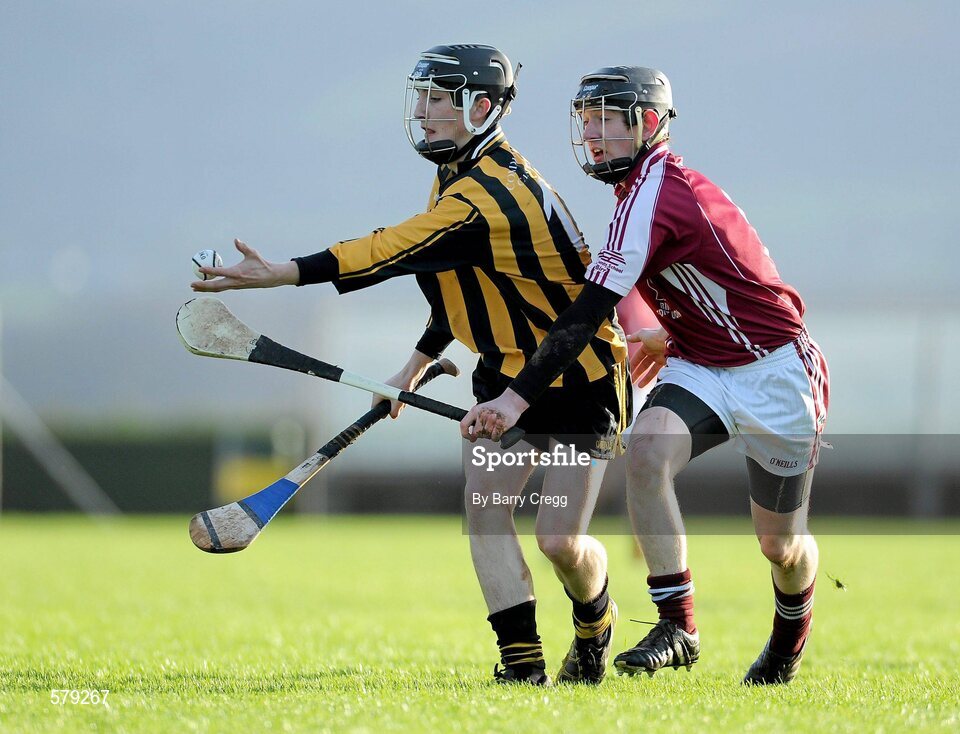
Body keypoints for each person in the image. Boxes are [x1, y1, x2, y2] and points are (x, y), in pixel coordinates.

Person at [190, 45, 631, 686]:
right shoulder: (456, 176)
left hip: (576, 374)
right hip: (502, 373)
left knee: (559, 540)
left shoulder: (493, 194)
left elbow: (389, 250)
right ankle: (522, 667)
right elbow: (458, 284)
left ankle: (595, 620)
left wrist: (282, 273)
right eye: (419, 97)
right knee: (485, 516)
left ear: (481, 108)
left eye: (437, 100)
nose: (421, 113)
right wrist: (416, 365)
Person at [461, 66, 829, 685]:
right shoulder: (634, 191)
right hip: (700, 364)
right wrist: (664, 330)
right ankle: (678, 625)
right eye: (586, 120)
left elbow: (590, 309)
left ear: (649, 124)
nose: (593, 133)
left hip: (776, 371)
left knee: (781, 548)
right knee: (646, 453)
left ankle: (787, 642)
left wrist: (518, 399)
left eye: (608, 119)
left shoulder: (658, 190)